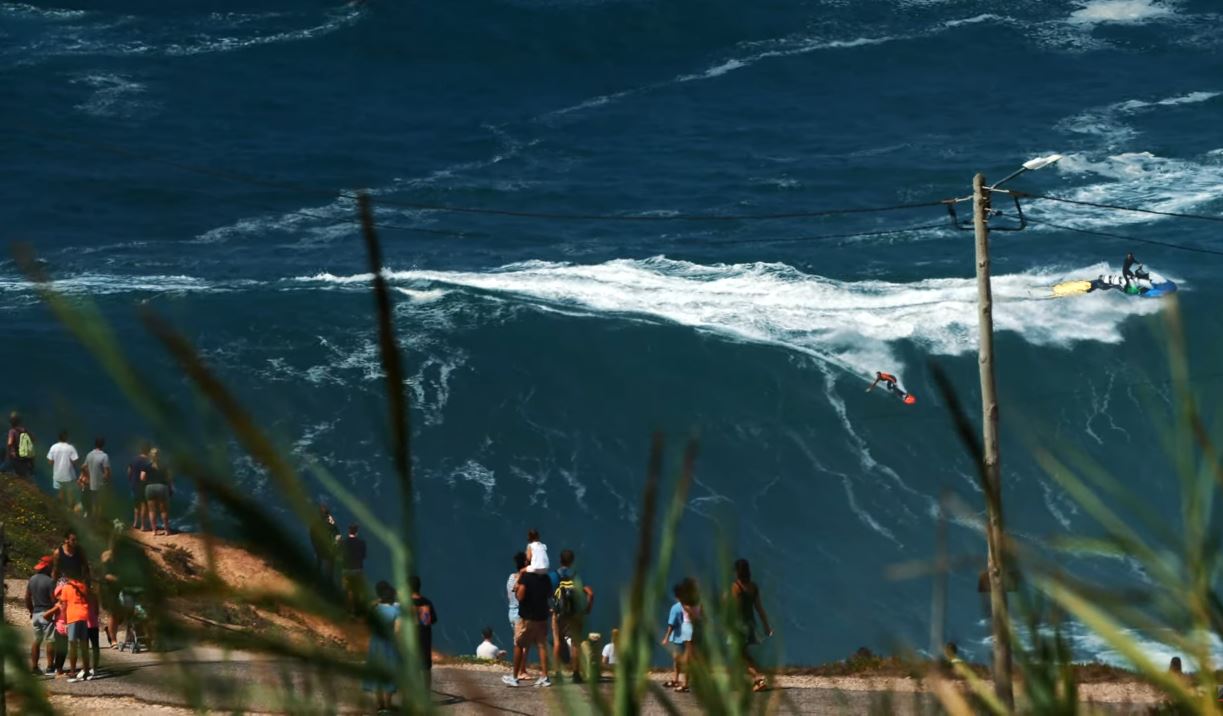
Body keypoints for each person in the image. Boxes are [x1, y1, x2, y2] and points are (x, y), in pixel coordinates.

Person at [551, 548, 595, 683]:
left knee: (557, 641)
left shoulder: (554, 575)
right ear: (572, 561)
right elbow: (590, 593)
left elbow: (547, 594)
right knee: (575, 643)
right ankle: (576, 674)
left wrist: (550, 608)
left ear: (560, 560)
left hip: (559, 614)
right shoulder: (577, 576)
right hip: (575, 614)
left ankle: (557, 673)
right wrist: (587, 608)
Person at [502, 567, 551, 687]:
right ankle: (545, 677)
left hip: (527, 617)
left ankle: (515, 677)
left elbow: (519, 596)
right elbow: (549, 594)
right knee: (541, 645)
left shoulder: (527, 578)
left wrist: (519, 582)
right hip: (542, 617)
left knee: (519, 644)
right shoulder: (545, 578)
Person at [731, 558, 773, 692]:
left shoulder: (736, 587)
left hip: (738, 625)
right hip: (750, 624)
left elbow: (733, 609)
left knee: (741, 654)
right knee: (741, 654)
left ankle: (758, 678)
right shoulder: (753, 587)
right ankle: (747, 680)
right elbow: (759, 608)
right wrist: (766, 626)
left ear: (737, 571)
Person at [363, 581, 402, 713]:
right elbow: (397, 630)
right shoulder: (396, 609)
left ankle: (380, 705)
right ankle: (388, 705)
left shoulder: (375, 608)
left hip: (376, 643)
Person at [43, 578, 92, 682]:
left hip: (70, 625)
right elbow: (46, 615)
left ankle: (78, 670)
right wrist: (54, 621)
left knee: (71, 648)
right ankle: (60, 671)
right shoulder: (59, 605)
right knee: (62, 651)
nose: (61, 595)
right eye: (59, 594)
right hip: (62, 629)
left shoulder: (69, 601)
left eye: (62, 593)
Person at [26, 555, 56, 674]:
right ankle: (50, 667)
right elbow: (53, 600)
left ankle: (34, 667)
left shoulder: (32, 579)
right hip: (47, 612)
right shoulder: (50, 581)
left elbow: (27, 597)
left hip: (36, 613)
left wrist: (31, 611)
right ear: (48, 567)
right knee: (50, 640)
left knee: (36, 640)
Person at [409, 575, 438, 691]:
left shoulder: (405, 603)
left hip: (410, 639)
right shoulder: (427, 602)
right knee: (426, 668)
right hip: (424, 639)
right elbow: (433, 620)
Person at [660, 582, 687, 688]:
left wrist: (666, 638)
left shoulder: (676, 608)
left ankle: (678, 680)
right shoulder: (689, 607)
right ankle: (681, 680)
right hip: (685, 638)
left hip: (679, 638)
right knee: (683, 660)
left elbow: (671, 625)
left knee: (677, 660)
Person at [141, 447, 172, 535]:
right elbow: (169, 478)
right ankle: (167, 530)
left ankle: (154, 531)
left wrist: (149, 480)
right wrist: (170, 488)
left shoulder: (146, 466)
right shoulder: (164, 466)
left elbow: (142, 477)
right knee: (164, 510)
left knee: (151, 510)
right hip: (162, 487)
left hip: (150, 487)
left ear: (150, 456)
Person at [47, 430, 80, 510]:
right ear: (67, 438)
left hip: (57, 475)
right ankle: (70, 510)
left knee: (60, 493)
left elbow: (50, 462)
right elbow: (75, 461)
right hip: (68, 475)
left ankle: (58, 509)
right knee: (70, 494)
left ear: (59, 438)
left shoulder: (53, 447)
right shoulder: (70, 448)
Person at [81, 438, 111, 519]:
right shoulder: (104, 456)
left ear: (95, 444)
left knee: (94, 502)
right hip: (100, 484)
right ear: (103, 445)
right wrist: (105, 479)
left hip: (91, 483)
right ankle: (98, 520)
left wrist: (88, 476)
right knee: (100, 504)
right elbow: (107, 472)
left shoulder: (89, 454)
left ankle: (93, 520)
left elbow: (83, 467)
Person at [310, 504, 340, 580]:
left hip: (318, 551)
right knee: (328, 575)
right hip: (329, 553)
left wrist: (316, 546)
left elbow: (312, 536)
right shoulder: (332, 526)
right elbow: (338, 538)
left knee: (317, 572)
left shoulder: (316, 525)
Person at [342, 524, 367, 615]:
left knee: (347, 590)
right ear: (357, 532)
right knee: (357, 590)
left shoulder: (343, 543)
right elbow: (364, 556)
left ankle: (349, 610)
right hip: (358, 569)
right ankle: (357, 610)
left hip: (346, 569)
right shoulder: (362, 543)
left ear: (349, 531)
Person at [128, 445, 152, 531]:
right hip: (143, 485)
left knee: (136, 505)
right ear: (148, 451)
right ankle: (143, 525)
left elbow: (129, 471)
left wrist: (131, 480)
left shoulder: (133, 459)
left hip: (134, 484)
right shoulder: (148, 461)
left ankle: (135, 523)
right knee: (144, 505)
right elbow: (145, 475)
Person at [6, 412, 35, 478]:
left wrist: (8, 455)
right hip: (26, 456)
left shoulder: (12, 431)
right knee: (24, 475)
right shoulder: (24, 430)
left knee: (7, 471)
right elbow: (33, 439)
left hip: (16, 457)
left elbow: (10, 443)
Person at [507, 551, 526, 630]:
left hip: (512, 613)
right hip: (521, 614)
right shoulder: (525, 579)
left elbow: (509, 596)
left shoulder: (511, 577)